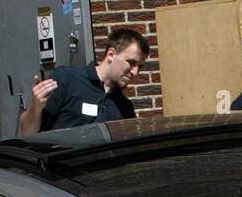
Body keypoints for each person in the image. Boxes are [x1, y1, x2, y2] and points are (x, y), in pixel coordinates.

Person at [19, 28, 149, 134]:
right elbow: (27, 132)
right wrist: (35, 107)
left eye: (140, 67)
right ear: (111, 54)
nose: (135, 72)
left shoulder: (124, 107)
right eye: (131, 63)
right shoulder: (66, 79)